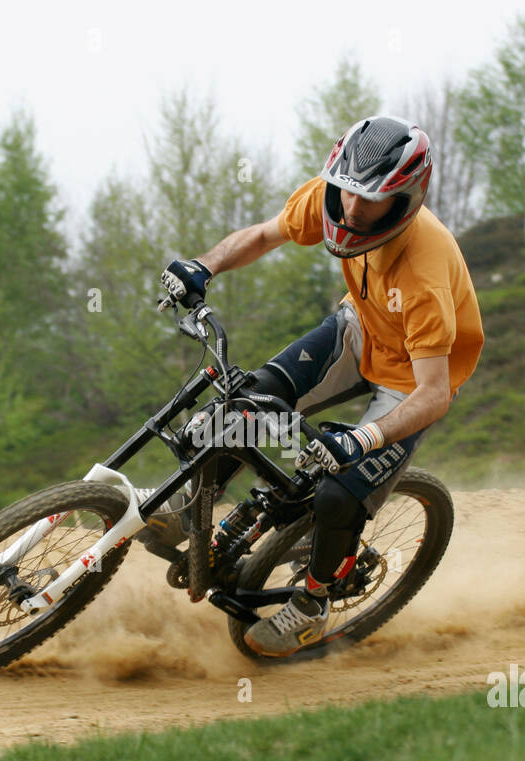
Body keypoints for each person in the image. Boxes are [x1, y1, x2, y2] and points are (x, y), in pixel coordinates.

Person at [142, 115, 484, 658]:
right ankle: (190, 509)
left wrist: (360, 441)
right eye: (347, 191)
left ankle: (313, 605)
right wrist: (201, 266)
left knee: (335, 490)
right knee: (246, 403)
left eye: (369, 201)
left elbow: (434, 394)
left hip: (412, 378)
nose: (350, 209)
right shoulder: (333, 196)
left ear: (405, 200)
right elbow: (261, 235)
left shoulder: (424, 271)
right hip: (359, 330)